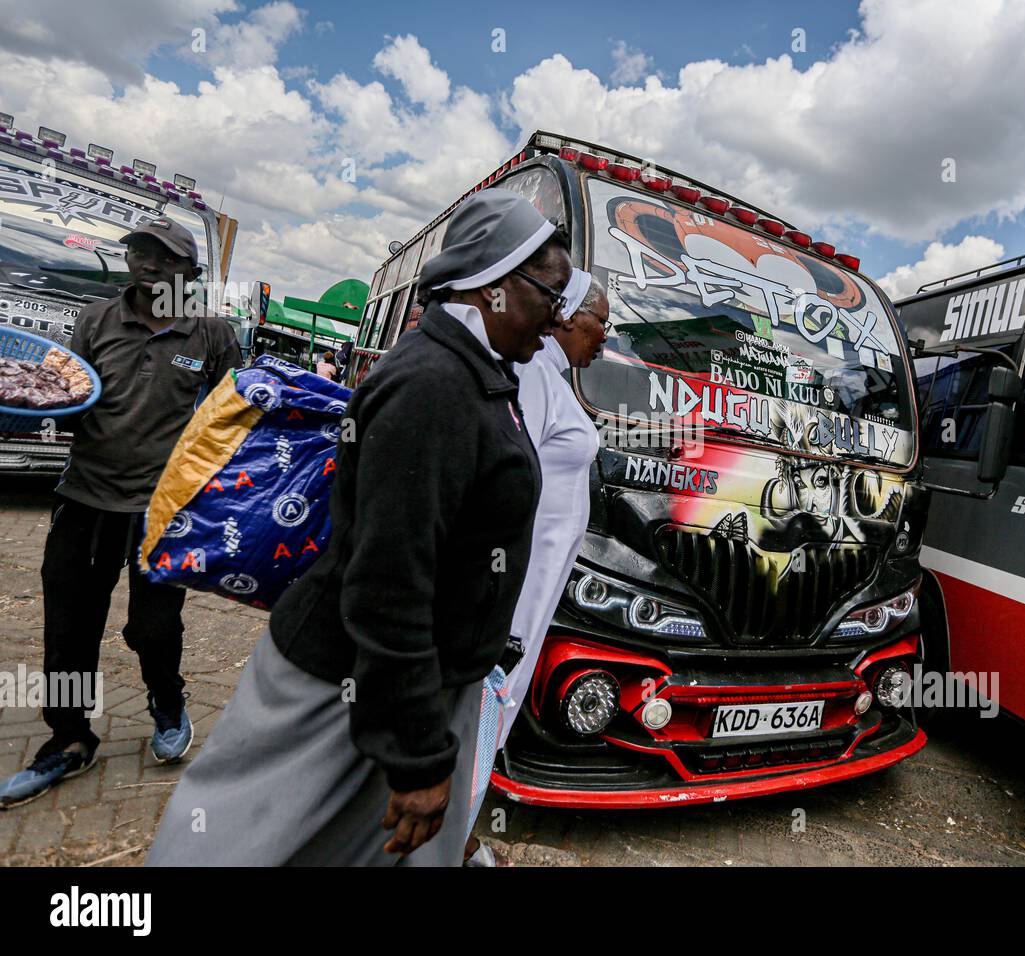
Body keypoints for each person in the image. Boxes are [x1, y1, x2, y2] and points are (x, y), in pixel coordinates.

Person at [146, 191, 570, 866]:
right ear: (495, 284)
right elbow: (388, 584)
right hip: (341, 688)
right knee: (240, 848)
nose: (560, 318)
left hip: (412, 689)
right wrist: (417, 756)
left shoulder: (480, 375)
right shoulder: (431, 385)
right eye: (552, 294)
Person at [0, 219, 242, 809]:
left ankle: (167, 701)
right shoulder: (96, 320)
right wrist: (29, 406)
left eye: (165, 257)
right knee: (69, 629)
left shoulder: (211, 333)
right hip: (86, 496)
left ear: (191, 273)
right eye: (139, 252)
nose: (148, 264)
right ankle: (68, 738)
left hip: (164, 508)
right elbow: (66, 389)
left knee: (153, 627)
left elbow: (232, 412)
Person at [462, 271, 610, 867]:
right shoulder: (532, 375)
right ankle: (449, 838)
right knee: (486, 702)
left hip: (536, 580)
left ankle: (454, 826)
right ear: (568, 315)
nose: (607, 335)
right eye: (601, 321)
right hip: (516, 583)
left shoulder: (552, 374)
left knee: (499, 701)